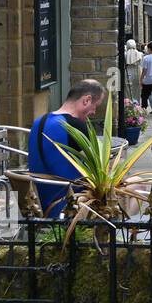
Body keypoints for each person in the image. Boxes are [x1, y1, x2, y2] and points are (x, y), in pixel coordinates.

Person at [27, 80, 106, 218]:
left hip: (39, 201)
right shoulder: (75, 127)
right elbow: (100, 167)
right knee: (136, 187)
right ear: (87, 100)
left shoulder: (38, 121)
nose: (93, 112)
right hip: (69, 204)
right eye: (95, 106)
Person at [122, 38, 143, 104]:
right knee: (137, 90)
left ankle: (129, 104)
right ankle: (137, 104)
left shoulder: (124, 54)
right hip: (137, 72)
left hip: (127, 73)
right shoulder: (140, 54)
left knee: (128, 90)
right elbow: (141, 65)